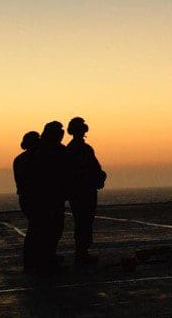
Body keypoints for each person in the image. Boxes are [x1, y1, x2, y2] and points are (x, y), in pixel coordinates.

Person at [66, 116, 106, 265]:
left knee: (83, 222)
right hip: (83, 191)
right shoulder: (80, 149)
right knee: (84, 222)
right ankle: (82, 253)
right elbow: (90, 169)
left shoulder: (73, 148)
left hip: (80, 190)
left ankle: (82, 252)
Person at [35, 121, 71, 272]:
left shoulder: (44, 150)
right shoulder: (48, 152)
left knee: (53, 229)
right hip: (48, 197)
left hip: (53, 196)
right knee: (49, 229)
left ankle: (48, 257)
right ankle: (46, 259)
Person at [13, 130, 46, 272]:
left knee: (34, 230)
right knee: (37, 231)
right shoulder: (34, 159)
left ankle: (32, 260)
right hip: (34, 198)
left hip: (26, 199)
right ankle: (35, 261)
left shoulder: (19, 159)